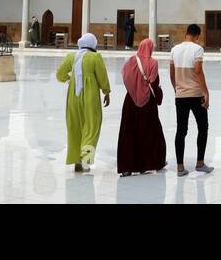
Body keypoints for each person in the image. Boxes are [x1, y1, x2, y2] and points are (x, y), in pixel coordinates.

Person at [56, 32, 110, 173]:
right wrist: (106, 92)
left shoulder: (71, 57)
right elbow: (102, 76)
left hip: (73, 97)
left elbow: (60, 75)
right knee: (92, 126)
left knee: (75, 127)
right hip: (90, 97)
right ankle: (85, 160)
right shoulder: (95, 57)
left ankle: (77, 162)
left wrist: (70, 79)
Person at [117, 37, 167, 176]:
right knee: (149, 132)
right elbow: (154, 82)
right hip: (147, 103)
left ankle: (126, 167)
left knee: (128, 132)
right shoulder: (153, 62)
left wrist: (134, 88)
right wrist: (157, 95)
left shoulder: (131, 60)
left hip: (130, 101)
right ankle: (147, 164)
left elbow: (125, 76)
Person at [169, 24, 213, 176]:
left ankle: (180, 167)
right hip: (196, 95)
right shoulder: (197, 49)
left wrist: (177, 89)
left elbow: (172, 73)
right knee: (203, 127)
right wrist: (206, 93)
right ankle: (200, 163)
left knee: (181, 130)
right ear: (197, 36)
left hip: (180, 96)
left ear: (186, 33)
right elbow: (198, 71)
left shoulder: (174, 50)